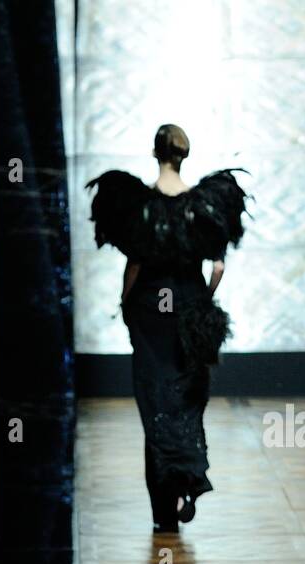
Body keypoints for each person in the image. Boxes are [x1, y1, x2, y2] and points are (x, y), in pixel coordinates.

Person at [85, 124, 251, 533]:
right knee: (187, 393)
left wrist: (124, 302)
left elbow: (135, 263)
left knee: (155, 396)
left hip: (151, 308)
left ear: (154, 153)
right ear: (184, 155)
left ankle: (164, 510)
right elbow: (218, 265)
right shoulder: (204, 206)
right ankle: (187, 478)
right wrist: (205, 298)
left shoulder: (141, 206)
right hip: (190, 305)